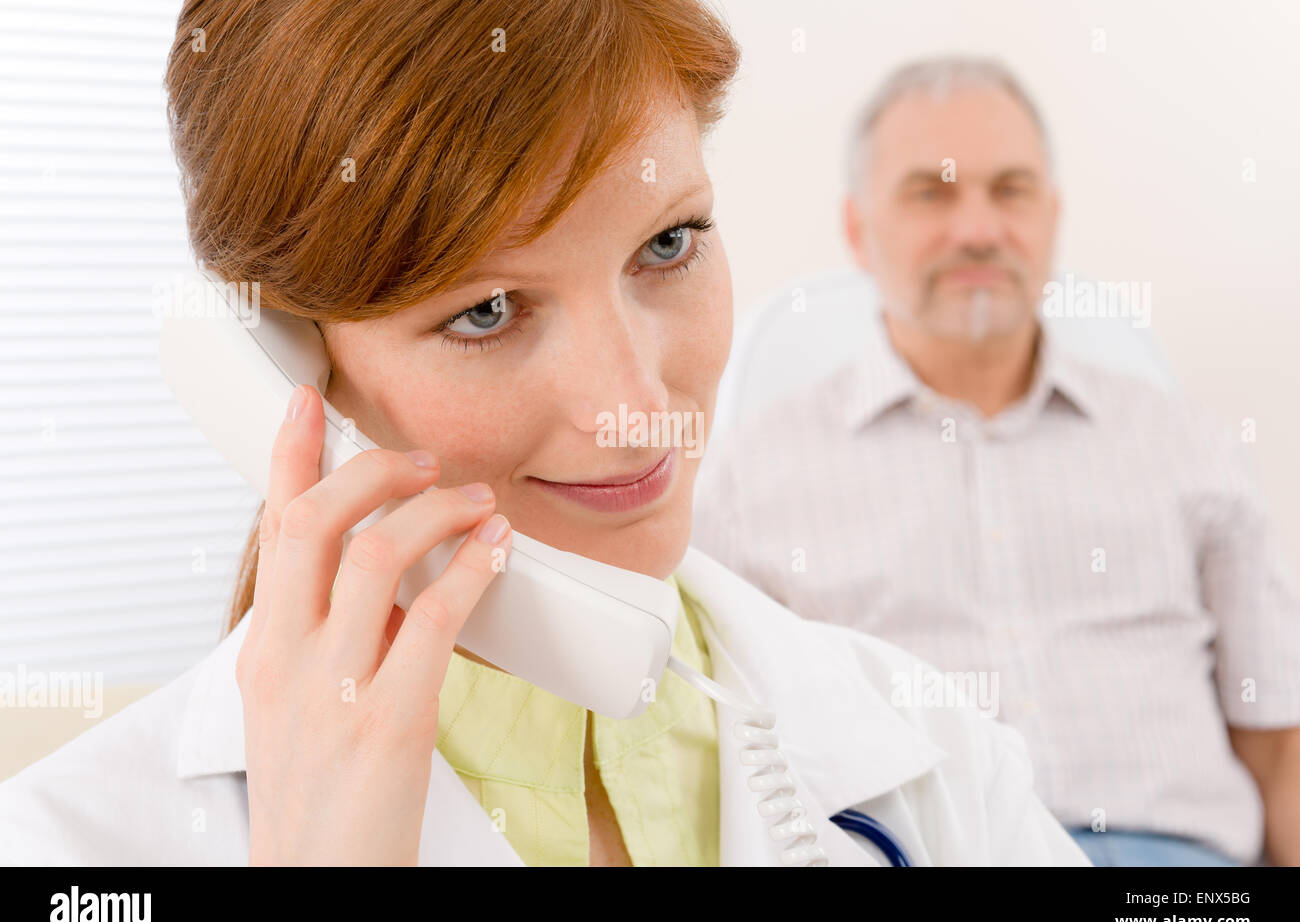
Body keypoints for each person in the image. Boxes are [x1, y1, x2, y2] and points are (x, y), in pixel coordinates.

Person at [0, 3, 1087, 867]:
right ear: (291, 362)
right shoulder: (70, 848)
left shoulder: (932, 759)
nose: (630, 396)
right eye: (485, 310)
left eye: (668, 243)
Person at [693, 56, 1300, 866]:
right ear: (857, 230)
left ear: (1051, 215)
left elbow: (1280, 745)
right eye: (931, 194)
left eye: (1010, 189)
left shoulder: (1188, 446)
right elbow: (714, 757)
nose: (977, 228)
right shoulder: (744, 478)